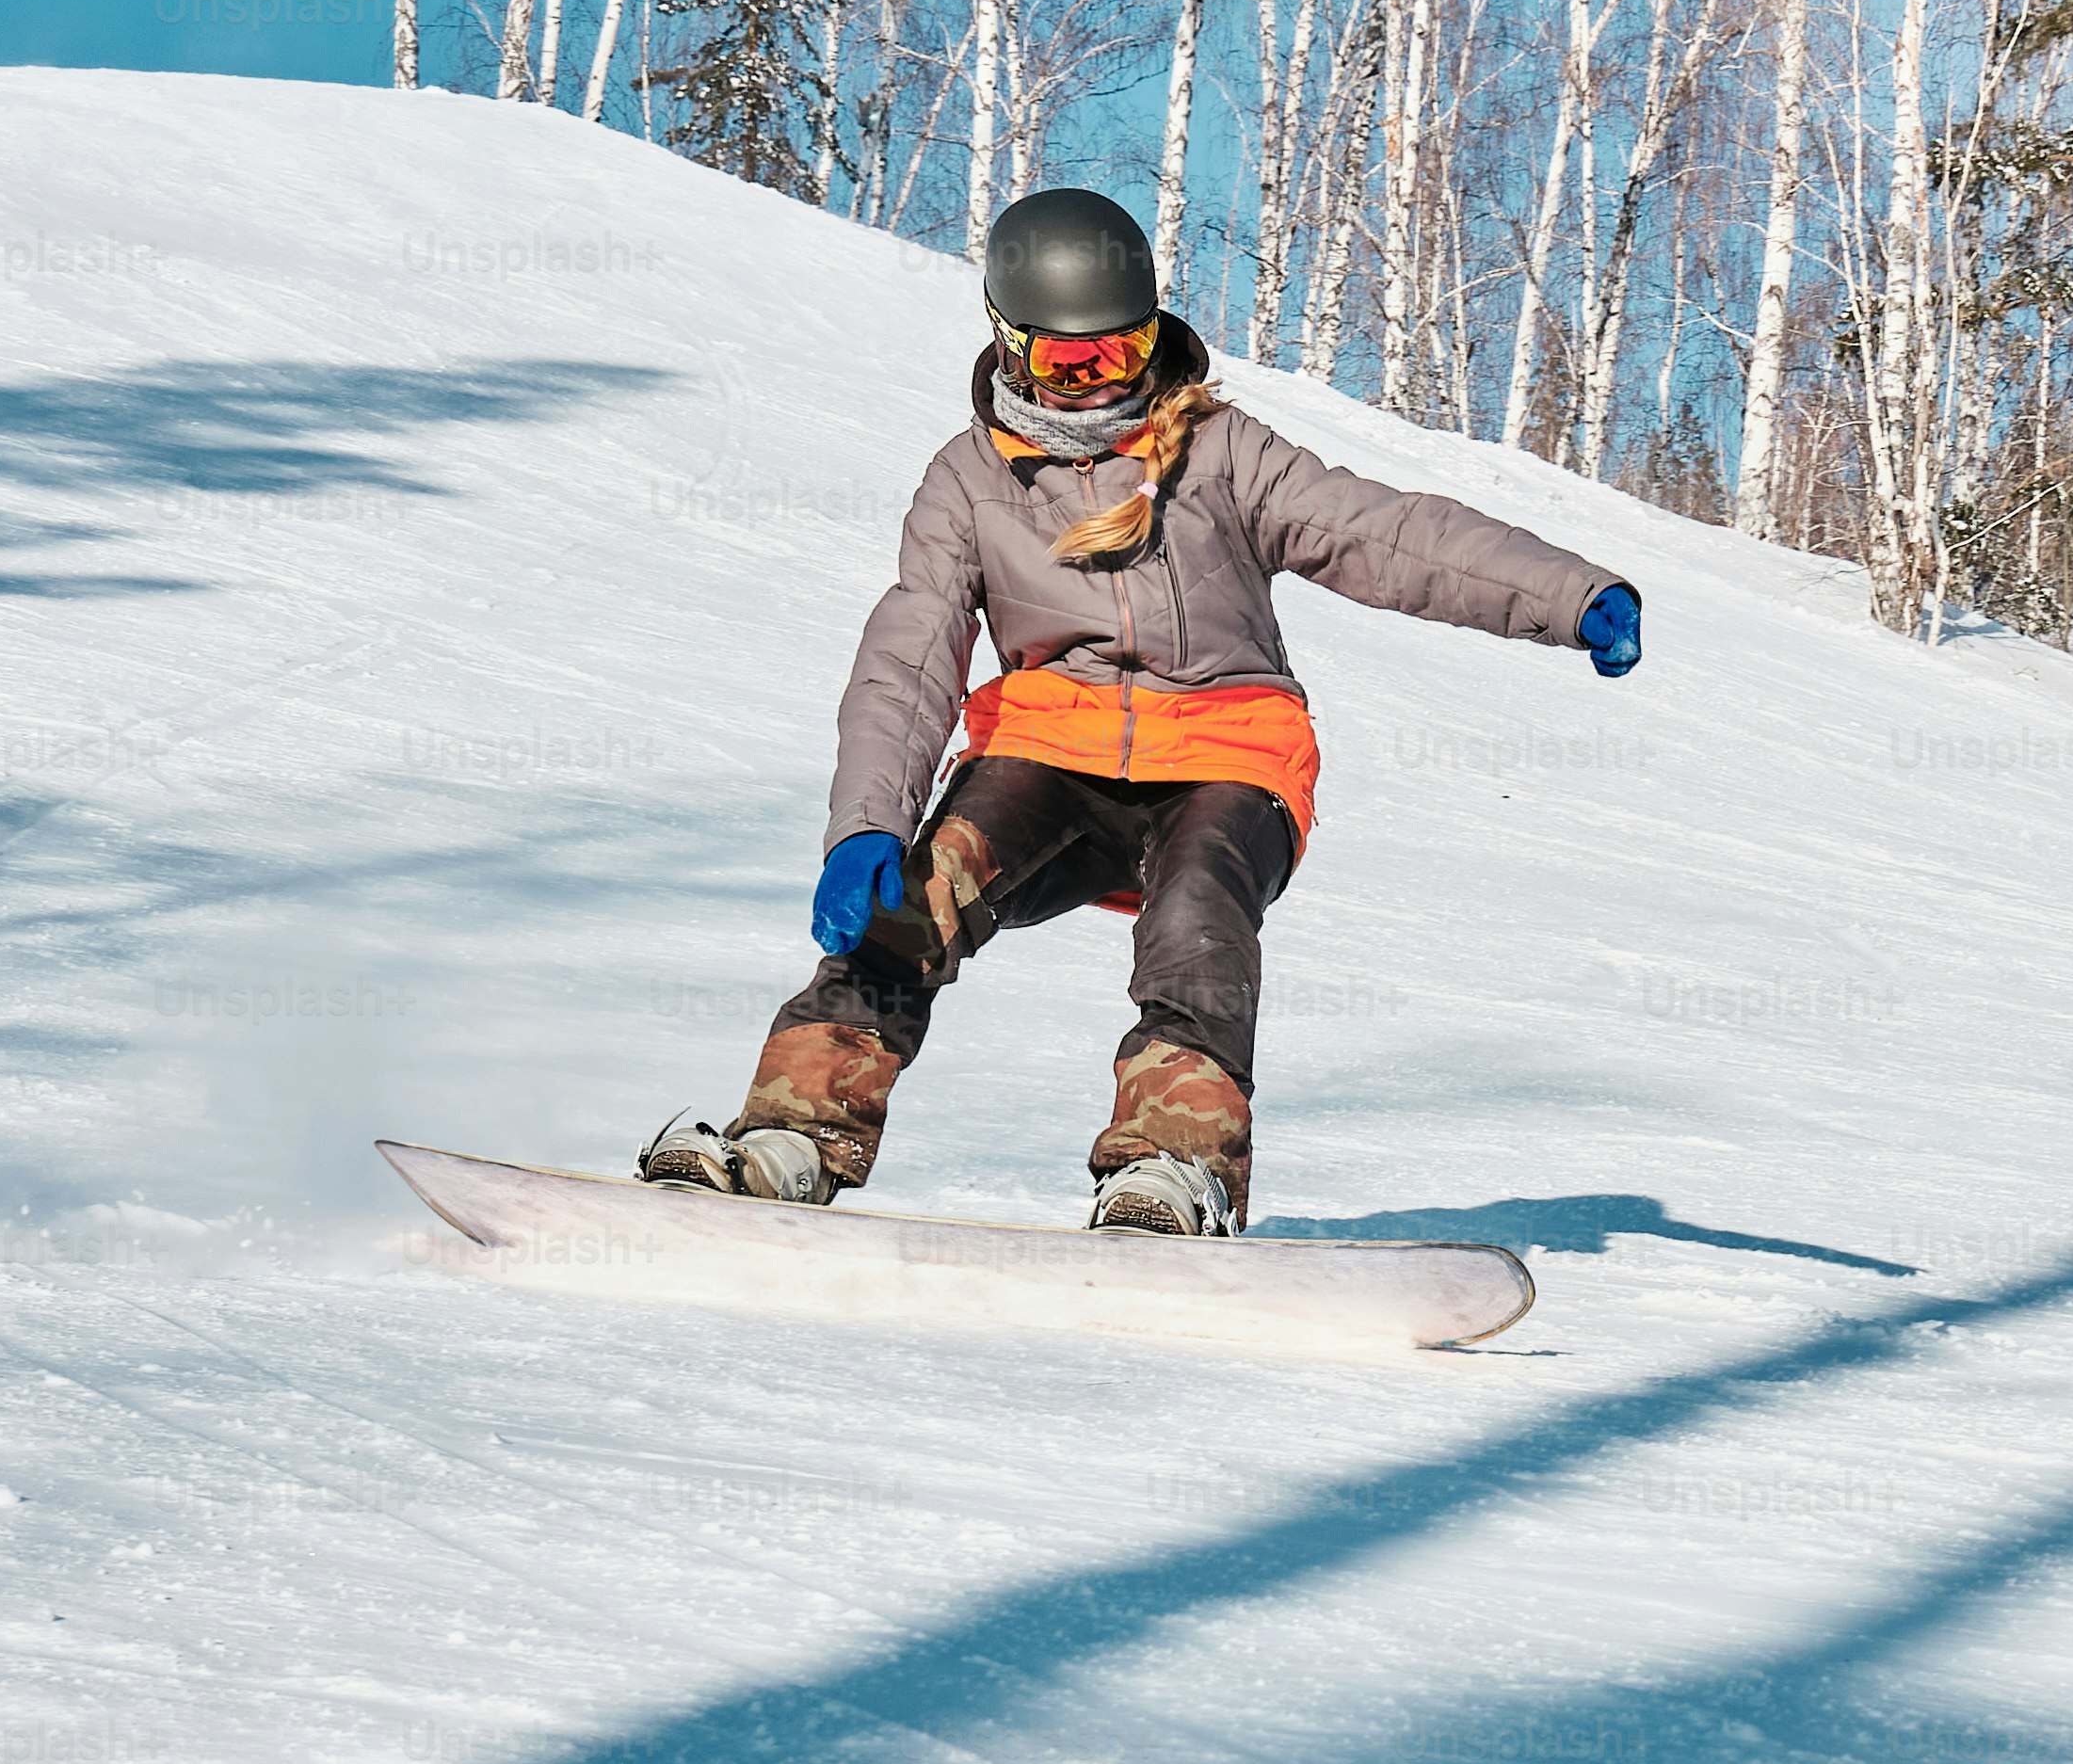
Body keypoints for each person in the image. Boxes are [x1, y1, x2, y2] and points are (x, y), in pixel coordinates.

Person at [640, 186, 1642, 1236]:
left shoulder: (1219, 452)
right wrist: (865, 827)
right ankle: (790, 1132)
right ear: (1009, 345)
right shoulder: (968, 481)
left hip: (1229, 748)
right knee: (909, 902)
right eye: (1067, 365)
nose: (1093, 388)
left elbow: (1386, 534)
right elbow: (910, 653)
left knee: (1195, 921)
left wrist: (1568, 596)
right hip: (1047, 748)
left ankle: (1175, 1168)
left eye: (1119, 357)